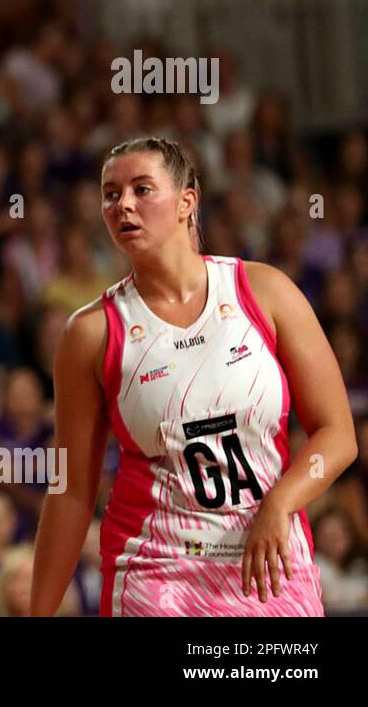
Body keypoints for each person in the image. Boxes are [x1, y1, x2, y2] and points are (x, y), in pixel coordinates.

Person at [32, 137, 359, 616]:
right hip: (156, 573)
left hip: (268, 560)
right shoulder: (91, 332)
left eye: (142, 189)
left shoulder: (265, 290)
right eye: (110, 194)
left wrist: (280, 502)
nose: (123, 204)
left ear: (188, 201)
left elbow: (338, 435)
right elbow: (72, 490)